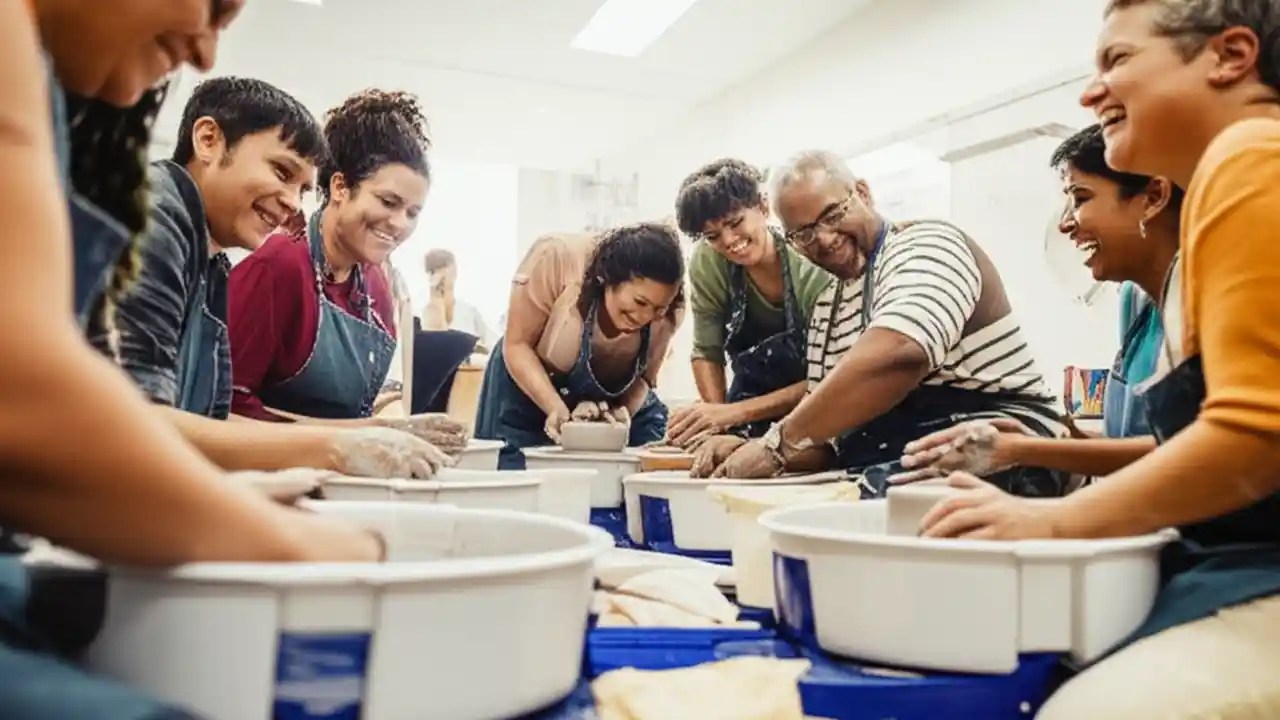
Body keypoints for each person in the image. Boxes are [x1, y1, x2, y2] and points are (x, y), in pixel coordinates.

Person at [7, 2, 382, 717]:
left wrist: (221, 498)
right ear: (207, 140)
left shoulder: (216, 262)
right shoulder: (162, 209)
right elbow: (27, 408)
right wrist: (305, 528)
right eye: (212, 6)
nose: (208, 49)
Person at [920, 2, 1280, 717]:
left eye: (1115, 61)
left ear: (1230, 56)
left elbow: (1257, 438)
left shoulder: (1251, 158)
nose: (1090, 91)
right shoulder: (1229, 182)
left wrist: (1045, 523)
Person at [80, 77, 455, 477]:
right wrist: (340, 445)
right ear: (208, 140)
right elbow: (135, 421)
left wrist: (378, 429)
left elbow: (207, 415)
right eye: (281, 171)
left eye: (302, 188)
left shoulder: (211, 264)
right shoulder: (156, 219)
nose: (293, 203)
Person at [693, 151, 1066, 498]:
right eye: (803, 234)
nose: (823, 239)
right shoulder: (828, 307)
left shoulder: (927, 243)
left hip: (1000, 444)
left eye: (833, 214)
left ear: (863, 193)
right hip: (897, 457)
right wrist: (752, 448)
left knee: (846, 522)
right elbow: (827, 443)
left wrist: (775, 446)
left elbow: (900, 353)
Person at [894, 124, 1182, 484]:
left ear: (1153, 198)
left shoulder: (1210, 297)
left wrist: (1023, 451)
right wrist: (1051, 437)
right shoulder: (1135, 304)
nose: (1065, 224)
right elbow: (1131, 445)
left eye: (1080, 198)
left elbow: (1198, 453)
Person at [228, 89, 433, 422]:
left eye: (413, 213)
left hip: (337, 470)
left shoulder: (375, 284)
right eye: (388, 202)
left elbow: (371, 403)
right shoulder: (279, 266)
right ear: (340, 187)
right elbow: (224, 406)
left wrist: (403, 428)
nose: (399, 224)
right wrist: (342, 439)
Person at [474, 223, 685, 468]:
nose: (645, 317)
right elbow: (518, 345)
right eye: (639, 302)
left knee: (642, 471)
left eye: (658, 309)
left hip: (611, 399)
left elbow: (645, 379)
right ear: (607, 279)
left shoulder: (671, 312)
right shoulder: (555, 258)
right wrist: (557, 410)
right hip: (528, 383)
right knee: (517, 478)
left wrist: (618, 416)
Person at [667, 159, 832, 446]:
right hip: (743, 414)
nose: (729, 241)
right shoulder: (709, 261)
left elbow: (829, 377)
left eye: (735, 223)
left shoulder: (809, 266)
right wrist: (715, 425)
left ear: (764, 207)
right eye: (712, 236)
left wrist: (729, 414)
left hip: (817, 410)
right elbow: (707, 350)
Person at [420, 248, 494, 352]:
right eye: (434, 271)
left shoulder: (469, 313)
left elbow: (490, 345)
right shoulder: (421, 312)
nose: (442, 279)